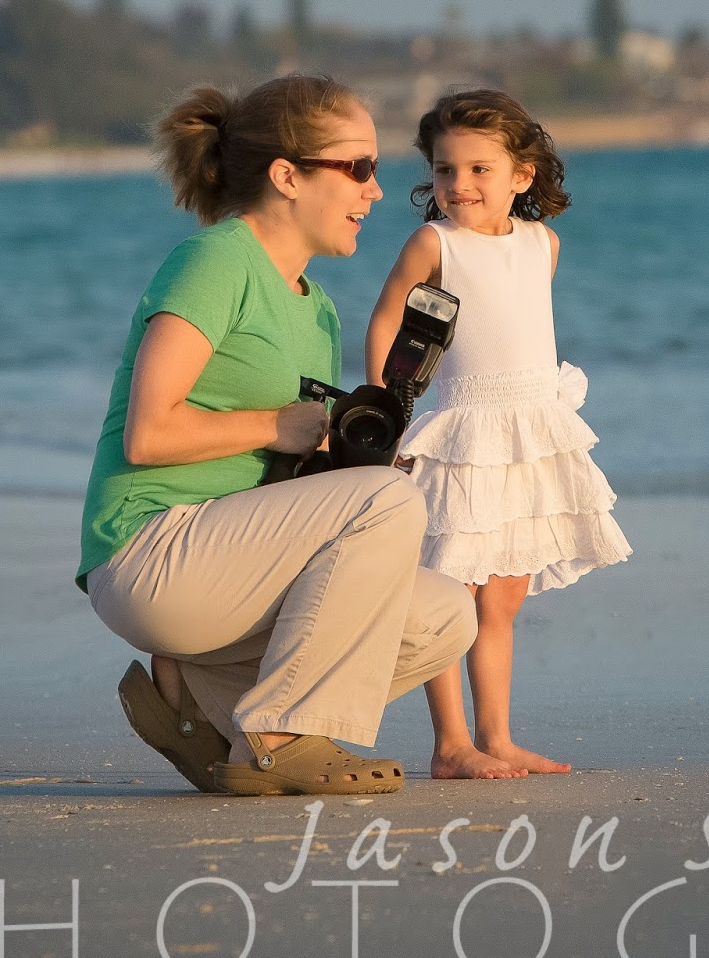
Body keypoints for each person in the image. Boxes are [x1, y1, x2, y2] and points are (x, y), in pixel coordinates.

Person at [79, 74, 475, 796]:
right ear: (287, 176)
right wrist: (282, 428)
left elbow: (275, 477)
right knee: (382, 503)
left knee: (446, 616)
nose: (376, 191)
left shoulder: (317, 309)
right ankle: (282, 735)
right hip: (151, 552)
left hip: (228, 567)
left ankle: (203, 705)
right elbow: (148, 431)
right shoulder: (215, 261)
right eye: (358, 168)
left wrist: (338, 468)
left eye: (376, 170)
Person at [365, 89, 631, 780]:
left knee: (503, 595)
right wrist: (386, 412)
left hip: (529, 433)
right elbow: (387, 320)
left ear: (523, 174)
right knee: (450, 587)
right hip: (463, 433)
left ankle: (498, 736)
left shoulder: (543, 244)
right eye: (447, 170)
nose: (460, 185)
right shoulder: (434, 243)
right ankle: (451, 744)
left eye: (480, 169)